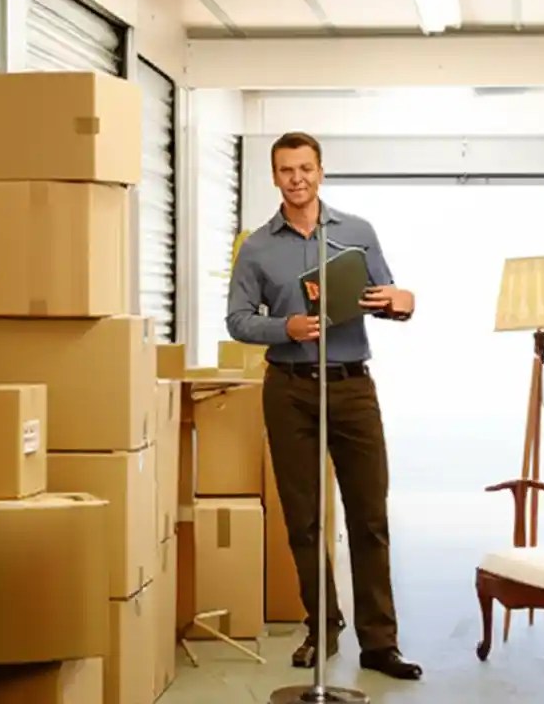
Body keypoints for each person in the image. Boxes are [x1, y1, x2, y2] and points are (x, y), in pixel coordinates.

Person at [225, 132, 423, 681]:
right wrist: (282, 327)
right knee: (304, 520)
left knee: (369, 516)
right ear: (275, 177)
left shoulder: (357, 232)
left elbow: (386, 295)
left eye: (305, 168)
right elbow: (237, 319)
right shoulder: (258, 247)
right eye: (286, 170)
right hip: (289, 389)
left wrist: (402, 303)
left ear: (321, 171)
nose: (297, 179)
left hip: (352, 386)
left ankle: (380, 644)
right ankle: (323, 627)